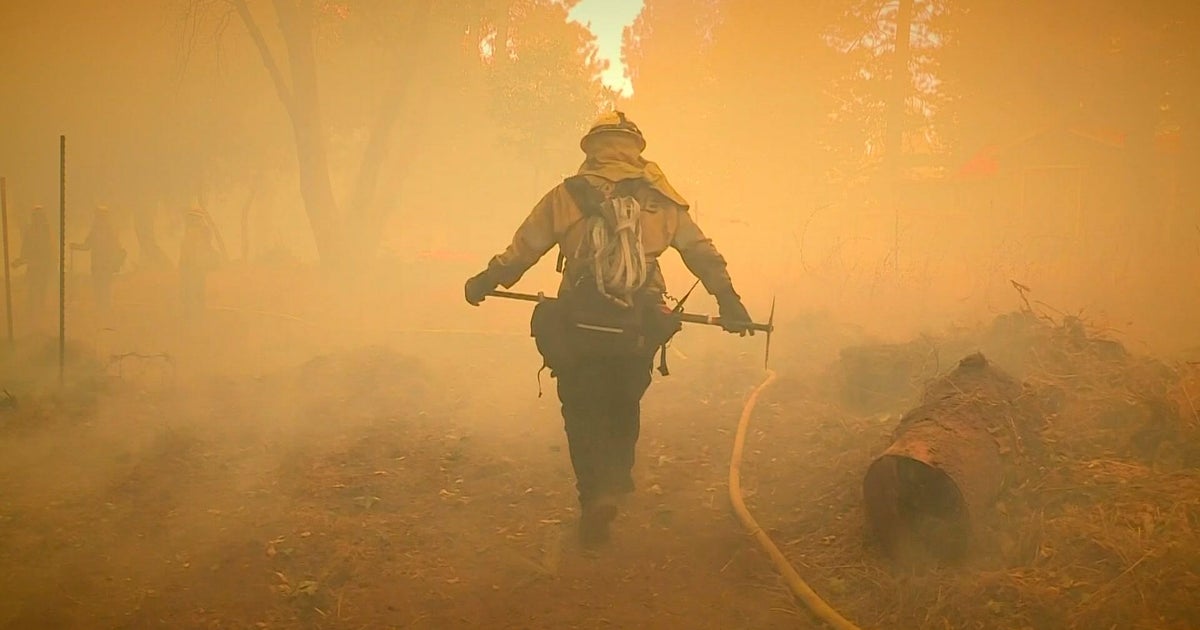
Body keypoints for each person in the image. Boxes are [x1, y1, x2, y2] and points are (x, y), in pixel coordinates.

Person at [463, 111, 755, 548]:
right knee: (625, 398)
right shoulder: (660, 199)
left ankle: (594, 496)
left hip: (578, 322)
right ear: (636, 148)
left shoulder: (567, 195)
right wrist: (729, 301)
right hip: (638, 324)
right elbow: (701, 252)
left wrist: (486, 280)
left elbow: (525, 247)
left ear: (592, 148)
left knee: (580, 409)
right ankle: (617, 479)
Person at [70, 205, 125, 312]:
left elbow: (86, 246)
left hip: (98, 264)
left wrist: (75, 246)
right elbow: (116, 247)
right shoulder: (110, 231)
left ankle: (101, 308)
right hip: (106, 265)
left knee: (99, 287)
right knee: (105, 287)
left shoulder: (96, 231)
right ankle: (105, 309)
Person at [11, 205, 55, 330]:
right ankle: (34, 315)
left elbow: (29, 250)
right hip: (39, 267)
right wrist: (20, 260)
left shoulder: (39, 232)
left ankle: (34, 316)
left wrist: (21, 260)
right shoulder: (42, 231)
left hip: (39, 266)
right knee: (36, 289)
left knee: (36, 289)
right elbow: (27, 249)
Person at [178, 207, 220, 320]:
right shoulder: (194, 232)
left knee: (195, 290)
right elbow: (186, 252)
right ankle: (193, 313)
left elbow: (198, 250)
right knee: (191, 290)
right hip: (192, 267)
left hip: (196, 267)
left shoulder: (201, 232)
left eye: (193, 218)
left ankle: (195, 314)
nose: (191, 221)